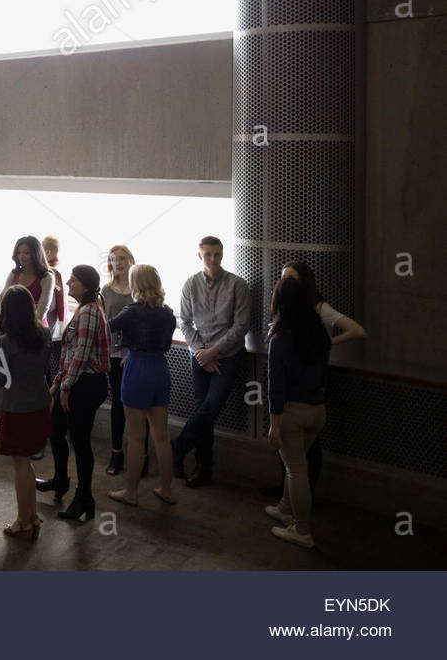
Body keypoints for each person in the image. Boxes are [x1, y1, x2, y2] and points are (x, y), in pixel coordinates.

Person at [259, 260, 366, 497]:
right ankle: (290, 497)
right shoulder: (288, 310)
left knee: (305, 450)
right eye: (283, 278)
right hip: (296, 384)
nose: (285, 283)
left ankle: (302, 500)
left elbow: (358, 331)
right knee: (292, 452)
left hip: (309, 383)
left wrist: (328, 344)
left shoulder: (318, 308)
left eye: (291, 278)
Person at [173, 235, 250, 488]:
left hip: (227, 356)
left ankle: (180, 446)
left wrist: (213, 352)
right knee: (202, 411)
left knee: (210, 408)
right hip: (199, 355)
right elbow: (183, 322)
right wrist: (201, 352)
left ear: (222, 254)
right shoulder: (190, 284)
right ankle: (203, 468)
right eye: (208, 254)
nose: (213, 259)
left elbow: (241, 327)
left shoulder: (238, 285)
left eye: (217, 254)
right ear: (200, 256)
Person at [39, 265, 111, 522]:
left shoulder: (90, 312)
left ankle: (84, 498)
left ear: (87, 285)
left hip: (86, 384)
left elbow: (81, 354)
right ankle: (60, 480)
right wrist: (58, 382)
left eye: (74, 280)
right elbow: (70, 355)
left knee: (80, 442)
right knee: (56, 429)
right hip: (74, 381)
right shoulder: (83, 309)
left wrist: (66, 387)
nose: (68, 283)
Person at [265, 276, 331, 549]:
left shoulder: (280, 340)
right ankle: (285, 508)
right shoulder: (320, 333)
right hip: (318, 410)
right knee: (299, 465)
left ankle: (301, 530)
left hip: (292, 413)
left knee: (295, 470)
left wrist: (274, 424)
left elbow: (276, 388)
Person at [105, 264, 177, 507]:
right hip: (160, 368)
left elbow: (106, 328)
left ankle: (132, 492)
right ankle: (167, 489)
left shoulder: (131, 311)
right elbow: (165, 345)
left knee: (136, 438)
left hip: (136, 368)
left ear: (136, 284)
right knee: (162, 437)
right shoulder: (168, 313)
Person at [0, 285, 52, 539]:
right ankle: (33, 514)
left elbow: (0, 377)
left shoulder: (6, 341)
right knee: (27, 462)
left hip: (16, 406)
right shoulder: (45, 333)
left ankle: (22, 519)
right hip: (39, 401)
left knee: (20, 465)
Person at [101, 244, 139, 476]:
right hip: (113, 355)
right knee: (118, 402)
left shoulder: (139, 289)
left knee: (137, 405)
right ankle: (117, 453)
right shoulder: (106, 290)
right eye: (114, 259)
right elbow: (104, 324)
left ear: (131, 260)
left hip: (136, 355)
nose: (119, 263)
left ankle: (140, 454)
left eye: (123, 258)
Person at [4, 236, 55, 324]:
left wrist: (15, 308)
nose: (21, 256)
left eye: (26, 253)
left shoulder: (47, 277)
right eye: (19, 253)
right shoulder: (13, 274)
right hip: (12, 327)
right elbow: (2, 302)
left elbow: (42, 311)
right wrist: (32, 307)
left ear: (36, 254)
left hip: (36, 328)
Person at [42, 235, 67, 340]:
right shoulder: (56, 272)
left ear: (47, 252)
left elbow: (54, 302)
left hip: (47, 316)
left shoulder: (52, 273)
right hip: (50, 317)